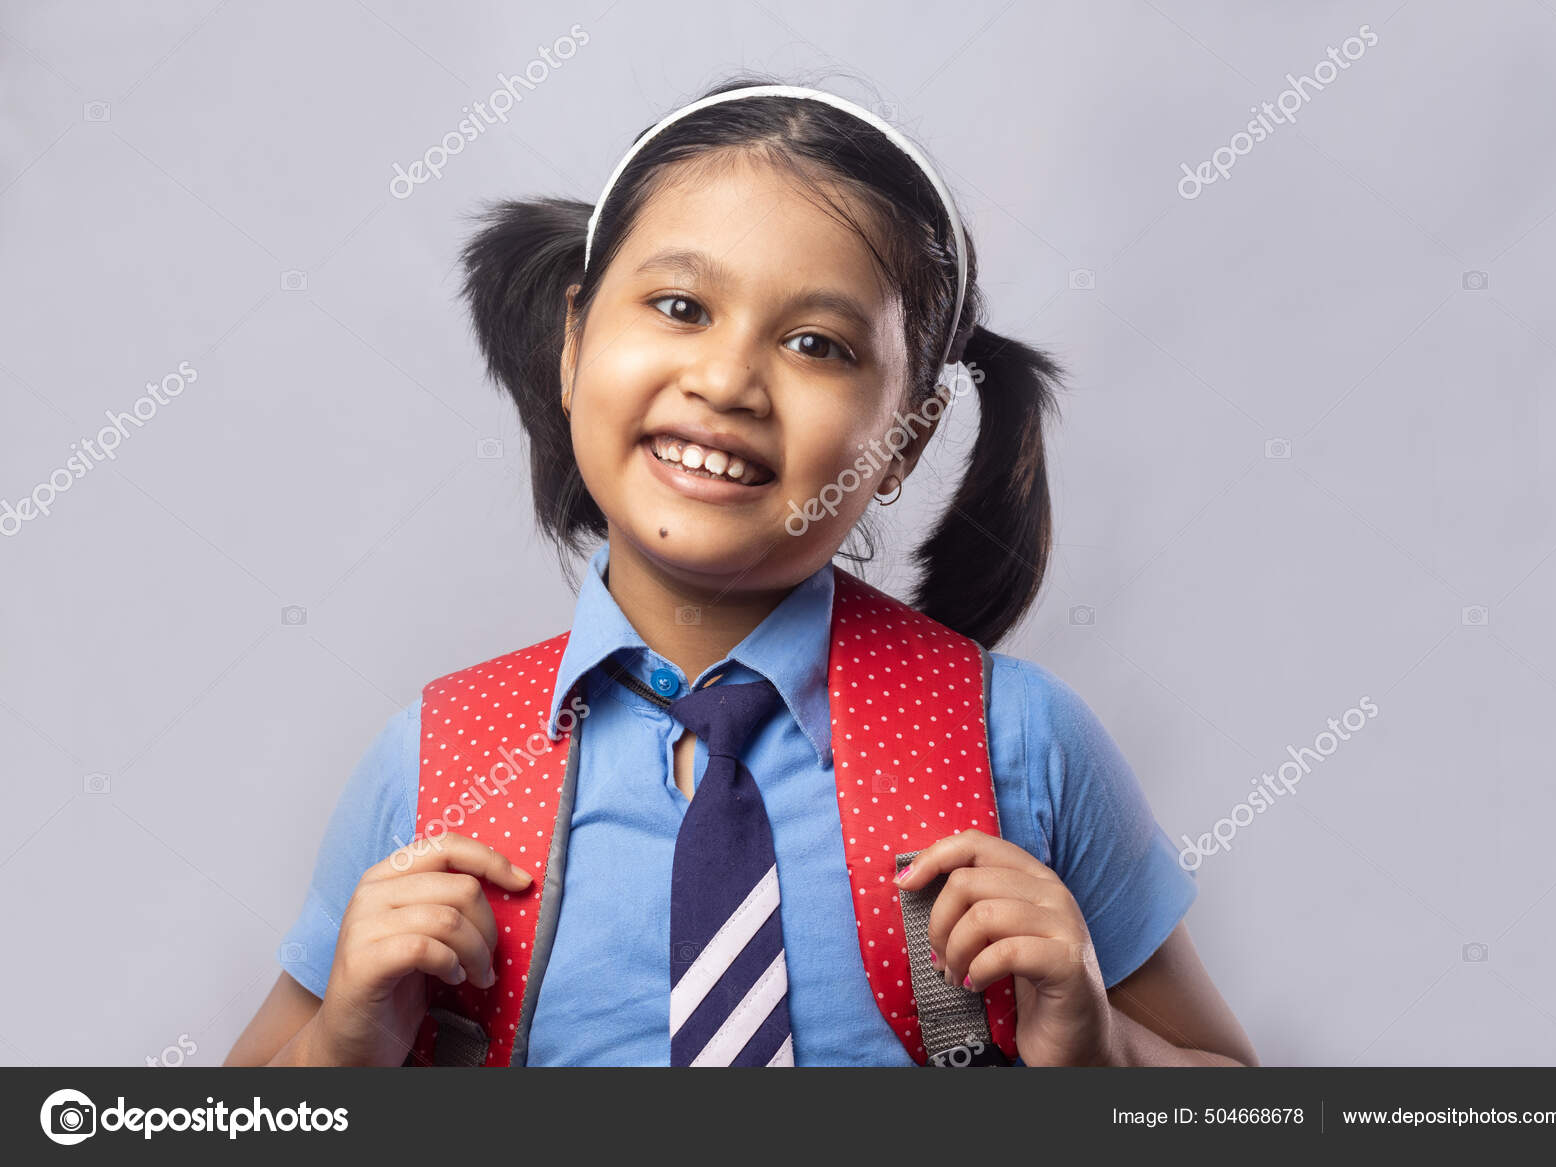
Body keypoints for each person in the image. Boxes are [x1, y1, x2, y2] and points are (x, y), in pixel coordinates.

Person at [227, 74, 1256, 1068]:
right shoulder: (433, 767)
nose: (725, 381)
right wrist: (339, 1052)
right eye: (679, 307)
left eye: (816, 344)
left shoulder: (1018, 743)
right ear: (577, 338)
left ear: (904, 436)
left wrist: (1103, 1056)